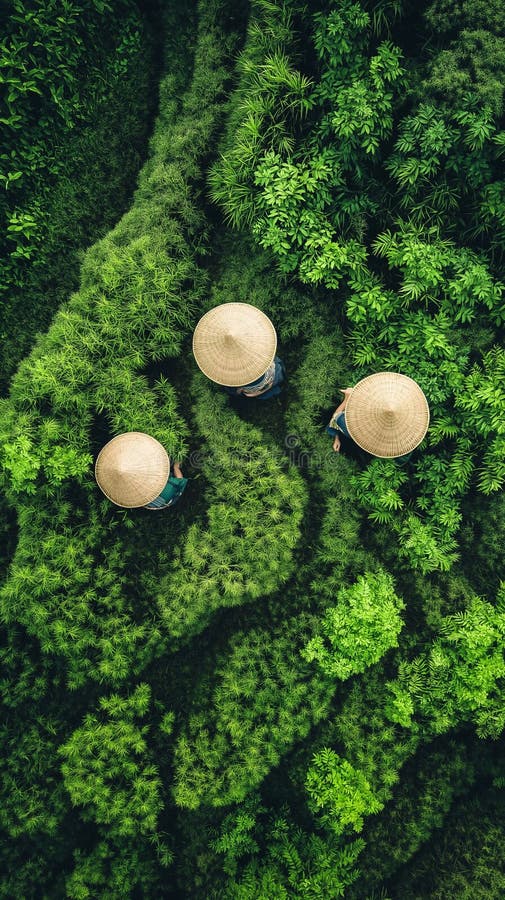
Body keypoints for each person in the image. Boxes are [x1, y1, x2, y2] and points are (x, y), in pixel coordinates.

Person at [192, 301, 285, 399]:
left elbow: (237, 391)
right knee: (278, 370)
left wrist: (249, 393)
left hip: (252, 390)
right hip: (272, 375)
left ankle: (265, 393)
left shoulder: (226, 374)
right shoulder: (260, 347)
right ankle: (275, 387)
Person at [326, 373, 430, 460]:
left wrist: (347, 398)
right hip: (385, 450)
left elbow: (336, 416)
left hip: (365, 443)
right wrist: (337, 438)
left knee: (340, 421)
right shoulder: (408, 438)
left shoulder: (355, 426)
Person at [94, 432, 188, 510]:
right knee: (177, 476)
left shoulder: (129, 493)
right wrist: (176, 467)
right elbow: (179, 480)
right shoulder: (168, 491)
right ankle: (176, 466)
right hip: (167, 498)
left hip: (152, 503)